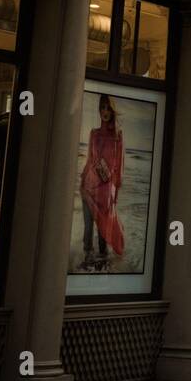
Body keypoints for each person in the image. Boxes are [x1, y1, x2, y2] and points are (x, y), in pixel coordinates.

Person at [79, 93, 125, 270]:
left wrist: (115, 195)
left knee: (103, 230)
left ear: (112, 110)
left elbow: (119, 168)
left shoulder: (117, 136)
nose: (104, 111)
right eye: (102, 107)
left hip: (105, 191)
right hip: (88, 188)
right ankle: (86, 261)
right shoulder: (94, 133)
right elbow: (90, 160)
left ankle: (103, 262)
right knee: (88, 227)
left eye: (107, 107)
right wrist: (82, 182)